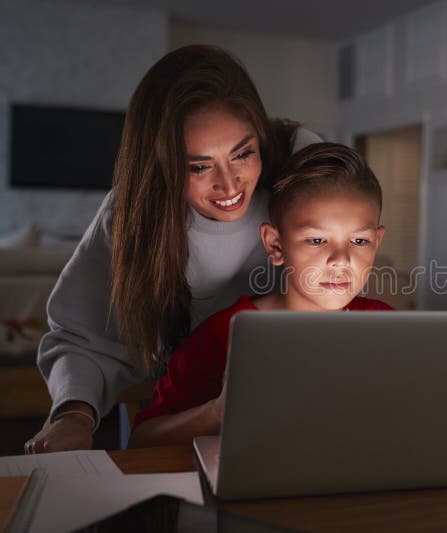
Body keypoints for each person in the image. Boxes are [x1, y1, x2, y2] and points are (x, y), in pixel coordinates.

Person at [25, 45, 321, 454]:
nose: (230, 185)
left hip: (297, 407)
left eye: (243, 154)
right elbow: (81, 335)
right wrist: (72, 416)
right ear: (162, 164)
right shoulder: (131, 211)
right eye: (199, 166)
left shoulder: (301, 161)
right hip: (179, 418)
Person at [128, 143, 392, 448]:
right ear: (275, 245)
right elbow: (141, 441)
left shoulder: (385, 325)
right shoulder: (224, 334)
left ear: (377, 241)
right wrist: (217, 413)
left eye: (359, 240)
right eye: (317, 239)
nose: (341, 260)